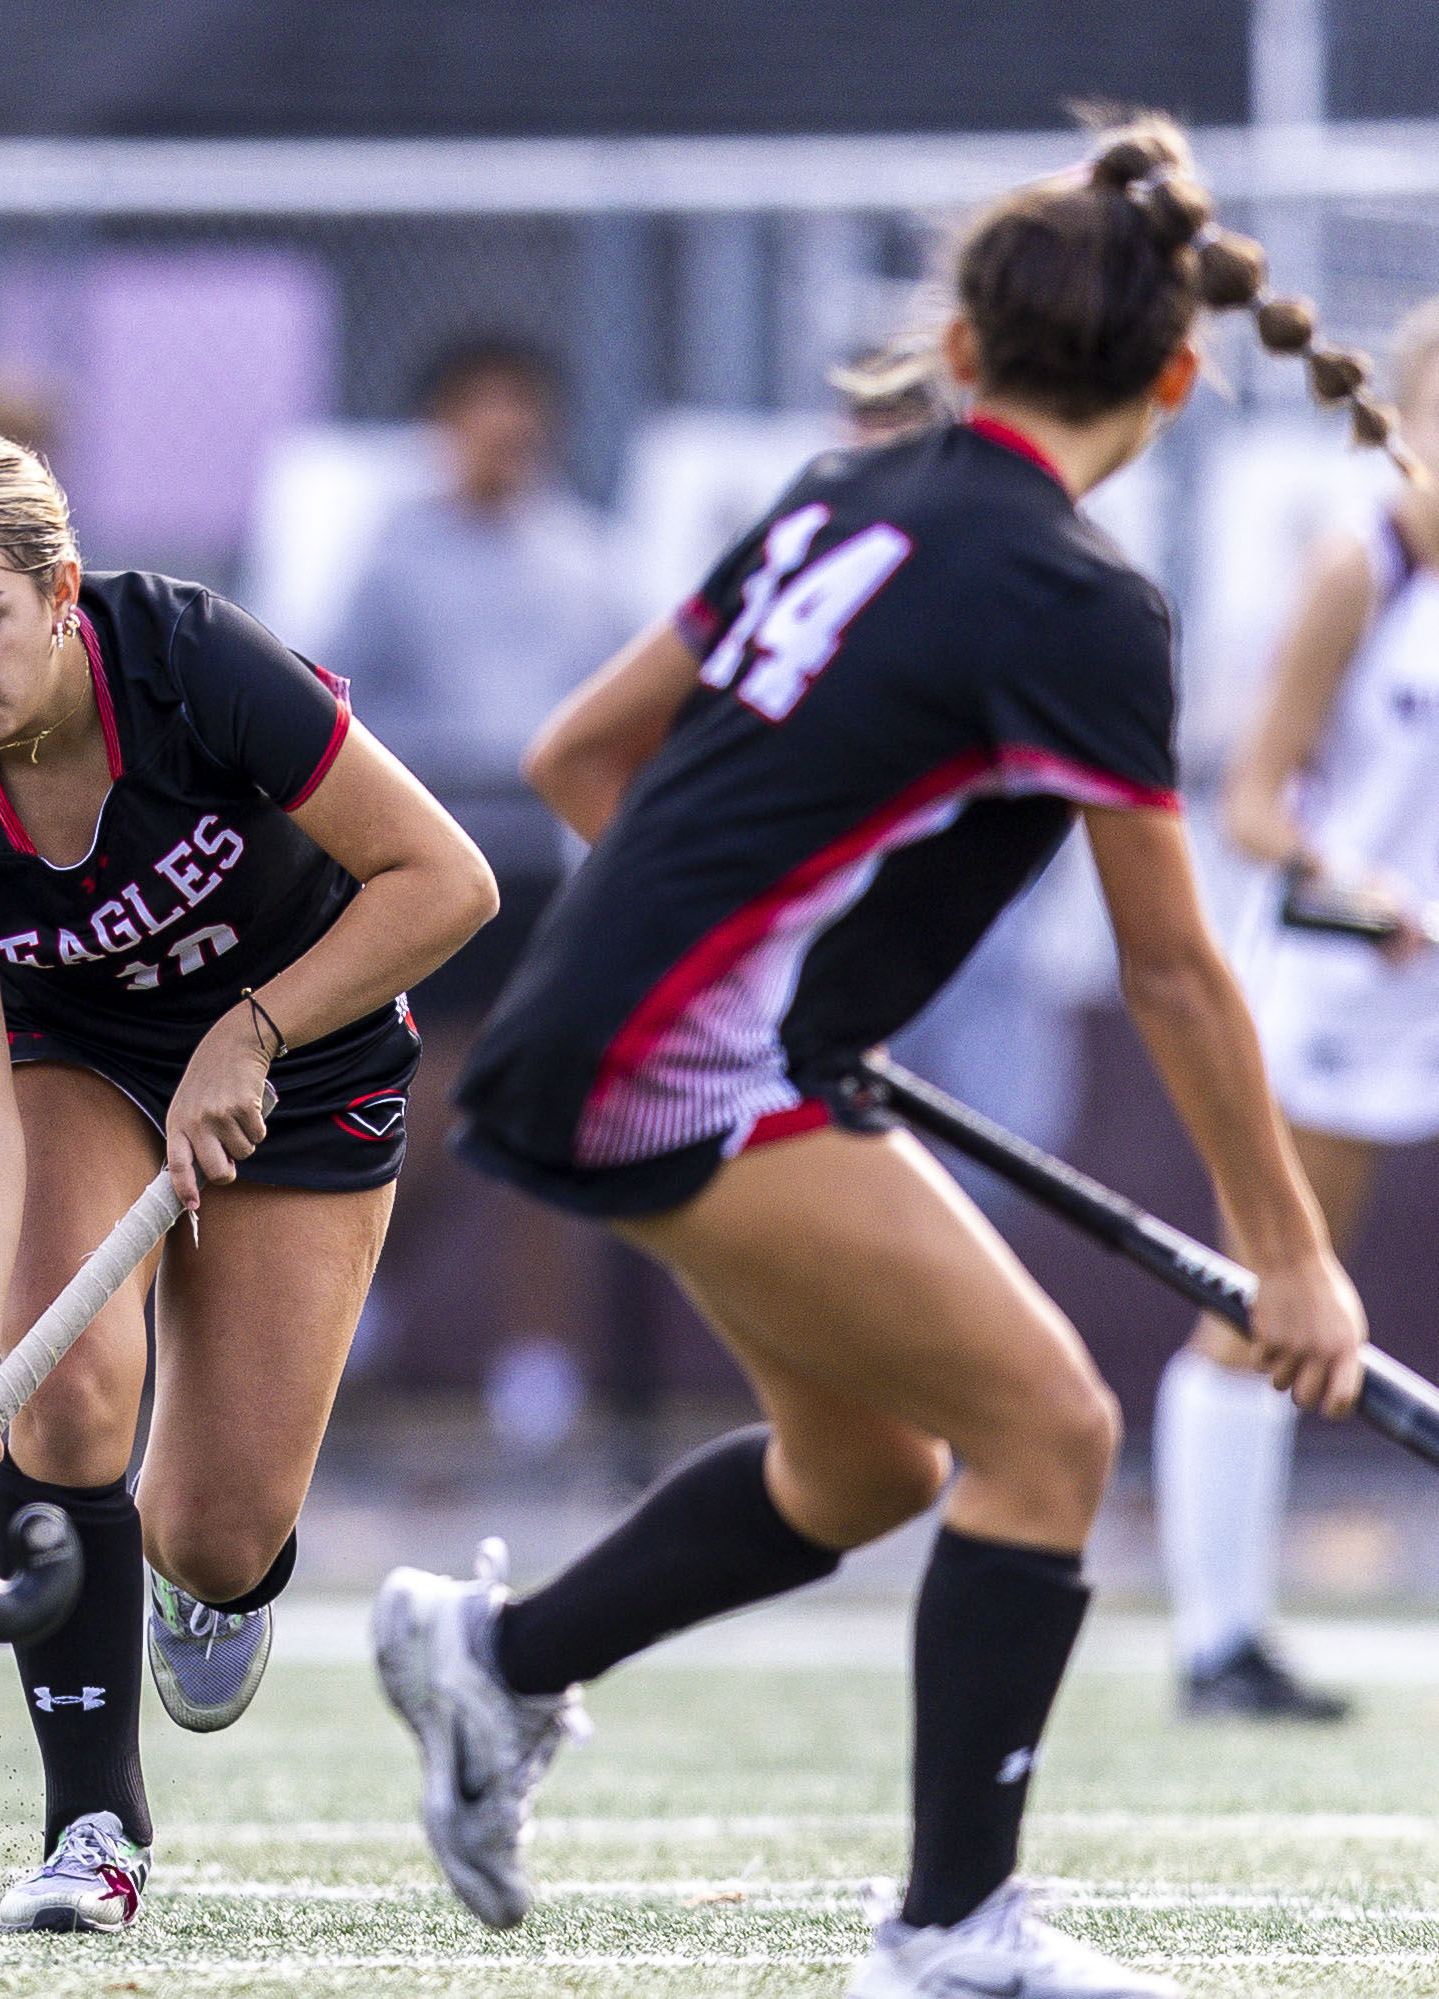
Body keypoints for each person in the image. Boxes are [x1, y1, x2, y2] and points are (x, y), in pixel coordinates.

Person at [383, 117, 1382, 1999]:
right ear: (1175, 376)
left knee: (867, 1465)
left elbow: (581, 759)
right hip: (675, 1061)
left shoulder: (846, 490)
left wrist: (761, 982)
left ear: (958, 352)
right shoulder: (1082, 601)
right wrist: (1290, 1257)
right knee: (1052, 1429)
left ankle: (492, 1660)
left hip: (631, 1027)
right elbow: (1169, 972)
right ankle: (949, 1933)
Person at [0, 431, 498, 1932]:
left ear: (58, 593)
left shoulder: (189, 662)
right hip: (81, 1056)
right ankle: (91, 1824)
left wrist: (254, 1024)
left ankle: (192, 1577)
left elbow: (445, 882)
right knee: (64, 1393)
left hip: (312, 1045)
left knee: (220, 1533)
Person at [1162, 295, 1439, 1723]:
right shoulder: (1363, 568)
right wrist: (1361, 884)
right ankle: (1218, 1640)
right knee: (1272, 1286)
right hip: (1340, 988)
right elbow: (1255, 799)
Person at [323, 338, 628, 1430]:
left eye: (519, 408)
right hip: (429, 877)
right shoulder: (392, 559)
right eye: (477, 408)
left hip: (544, 876)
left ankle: (535, 1367)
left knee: (542, 1110)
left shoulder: (584, 556)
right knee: (438, 1099)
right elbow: (330, 707)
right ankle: (357, 1300)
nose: (502, 431)